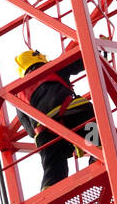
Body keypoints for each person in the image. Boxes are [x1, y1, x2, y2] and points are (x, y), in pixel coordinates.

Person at [15, 49, 100, 191]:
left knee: (53, 165)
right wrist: (97, 48)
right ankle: (98, 152)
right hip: (71, 111)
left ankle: (50, 192)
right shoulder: (50, 68)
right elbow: (78, 62)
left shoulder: (18, 93)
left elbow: (29, 130)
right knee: (94, 126)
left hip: (45, 132)